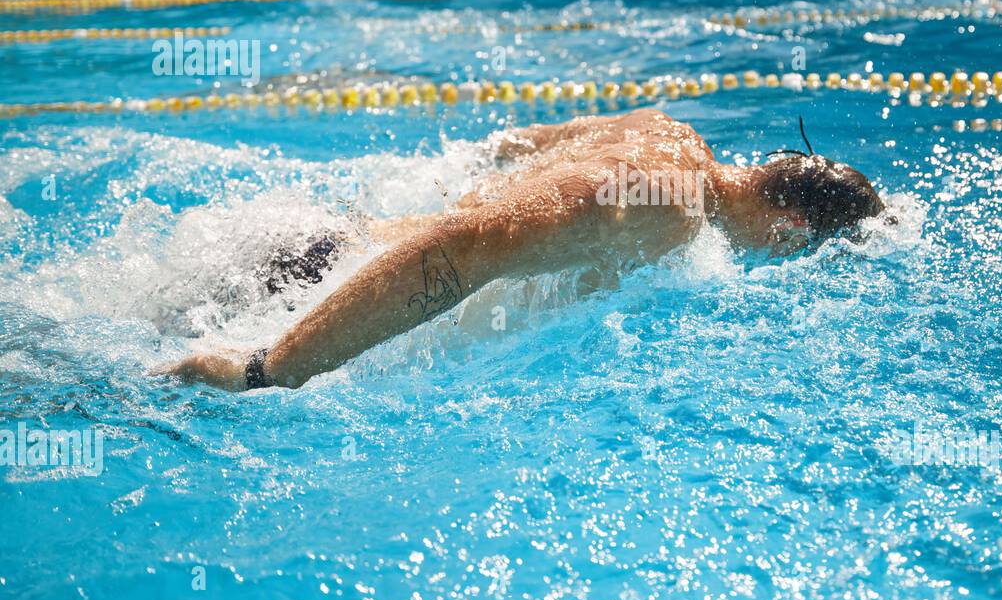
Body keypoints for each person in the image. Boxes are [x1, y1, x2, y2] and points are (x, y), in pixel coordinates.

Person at [154, 108, 887, 390]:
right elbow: (460, 247)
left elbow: (511, 146)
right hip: (307, 282)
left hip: (318, 242)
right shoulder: (673, 208)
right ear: (789, 232)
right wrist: (264, 369)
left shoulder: (669, 132)